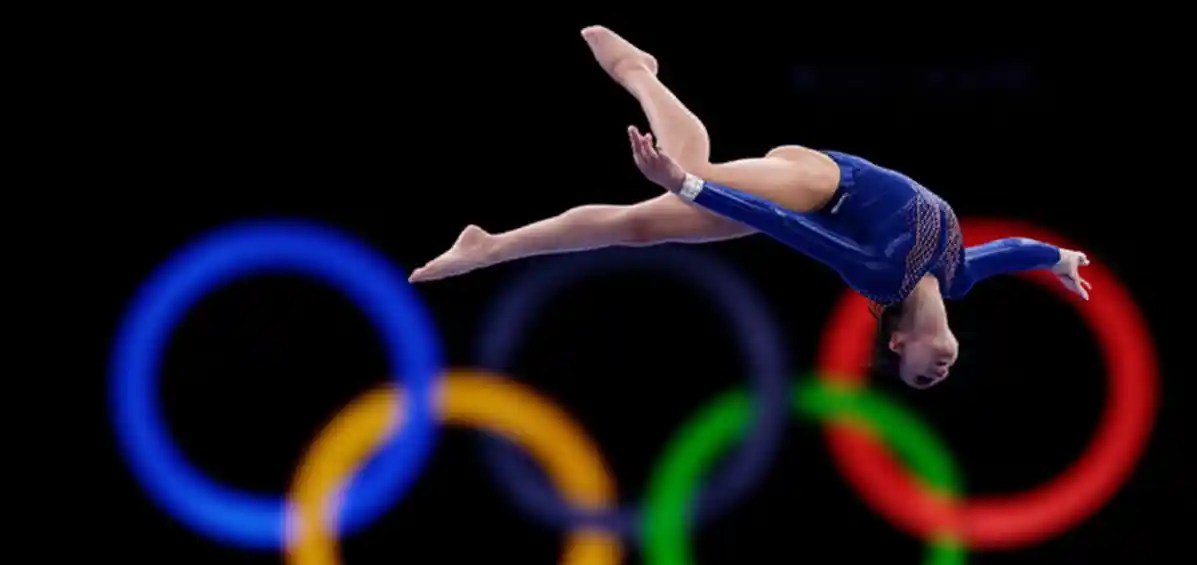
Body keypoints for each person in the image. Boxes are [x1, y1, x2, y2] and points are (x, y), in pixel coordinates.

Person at [409, 26, 1091, 389]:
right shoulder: (959, 276)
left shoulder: (884, 278)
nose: (935, 375)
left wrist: (688, 190)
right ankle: (638, 72)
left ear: (897, 343)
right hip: (828, 177)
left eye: (918, 376)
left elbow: (786, 228)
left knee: (643, 227)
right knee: (684, 178)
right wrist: (1058, 258)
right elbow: (1009, 253)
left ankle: (489, 245)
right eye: (937, 374)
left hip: (817, 195)